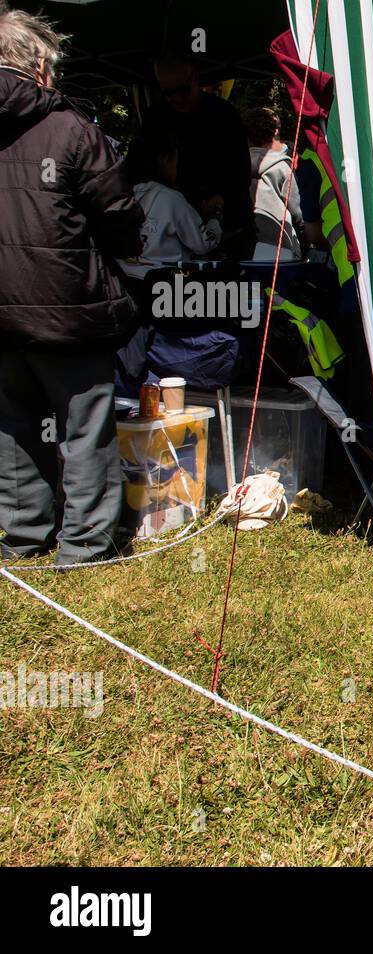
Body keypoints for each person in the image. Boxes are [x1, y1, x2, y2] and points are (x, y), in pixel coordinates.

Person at [0, 8, 145, 564]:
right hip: (69, 303)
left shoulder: (66, 127)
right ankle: (84, 545)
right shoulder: (71, 129)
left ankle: (23, 536)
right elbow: (119, 216)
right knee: (85, 427)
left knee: (12, 425)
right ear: (39, 67)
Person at [142, 53, 252, 257]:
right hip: (174, 229)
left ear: (195, 78)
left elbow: (241, 170)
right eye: (168, 92)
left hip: (228, 226)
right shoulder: (155, 117)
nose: (176, 98)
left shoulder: (223, 114)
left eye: (183, 90)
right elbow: (144, 166)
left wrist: (221, 197)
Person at [119, 128, 223, 280]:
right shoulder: (170, 198)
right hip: (165, 282)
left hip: (127, 278)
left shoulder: (123, 193)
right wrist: (215, 218)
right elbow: (202, 244)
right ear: (165, 160)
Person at [243, 106, 304, 261]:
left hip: (243, 248)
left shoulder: (235, 168)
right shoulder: (282, 167)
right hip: (280, 250)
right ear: (276, 131)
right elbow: (298, 213)